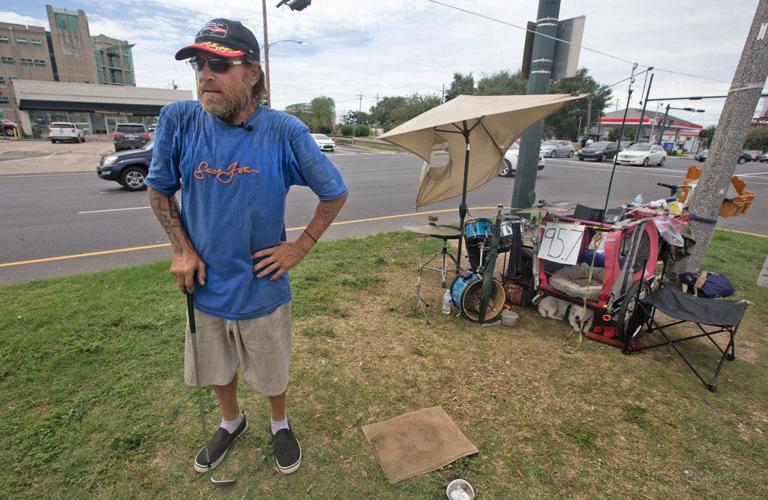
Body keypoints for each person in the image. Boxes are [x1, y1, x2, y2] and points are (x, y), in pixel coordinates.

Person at [145, 18, 348, 475]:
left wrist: (300, 246)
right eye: (199, 64)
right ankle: (231, 421)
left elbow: (334, 192)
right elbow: (158, 188)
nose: (205, 75)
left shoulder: (285, 131)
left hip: (262, 283)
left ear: (252, 73)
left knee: (272, 369)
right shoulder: (179, 120)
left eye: (219, 65)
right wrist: (182, 250)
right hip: (205, 283)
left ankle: (279, 423)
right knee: (216, 366)